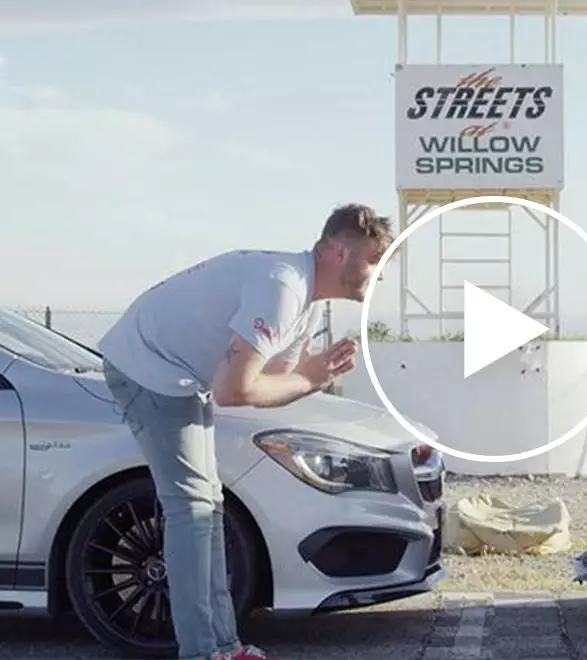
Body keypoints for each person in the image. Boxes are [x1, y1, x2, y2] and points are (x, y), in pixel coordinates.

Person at [98, 203, 393, 660]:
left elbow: (268, 385)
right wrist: (308, 378)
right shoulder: (283, 288)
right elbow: (235, 390)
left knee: (207, 505)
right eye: (374, 261)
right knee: (192, 508)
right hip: (147, 366)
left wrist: (307, 378)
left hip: (180, 376)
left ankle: (225, 646)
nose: (380, 275)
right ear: (338, 251)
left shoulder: (305, 306)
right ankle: (202, 652)